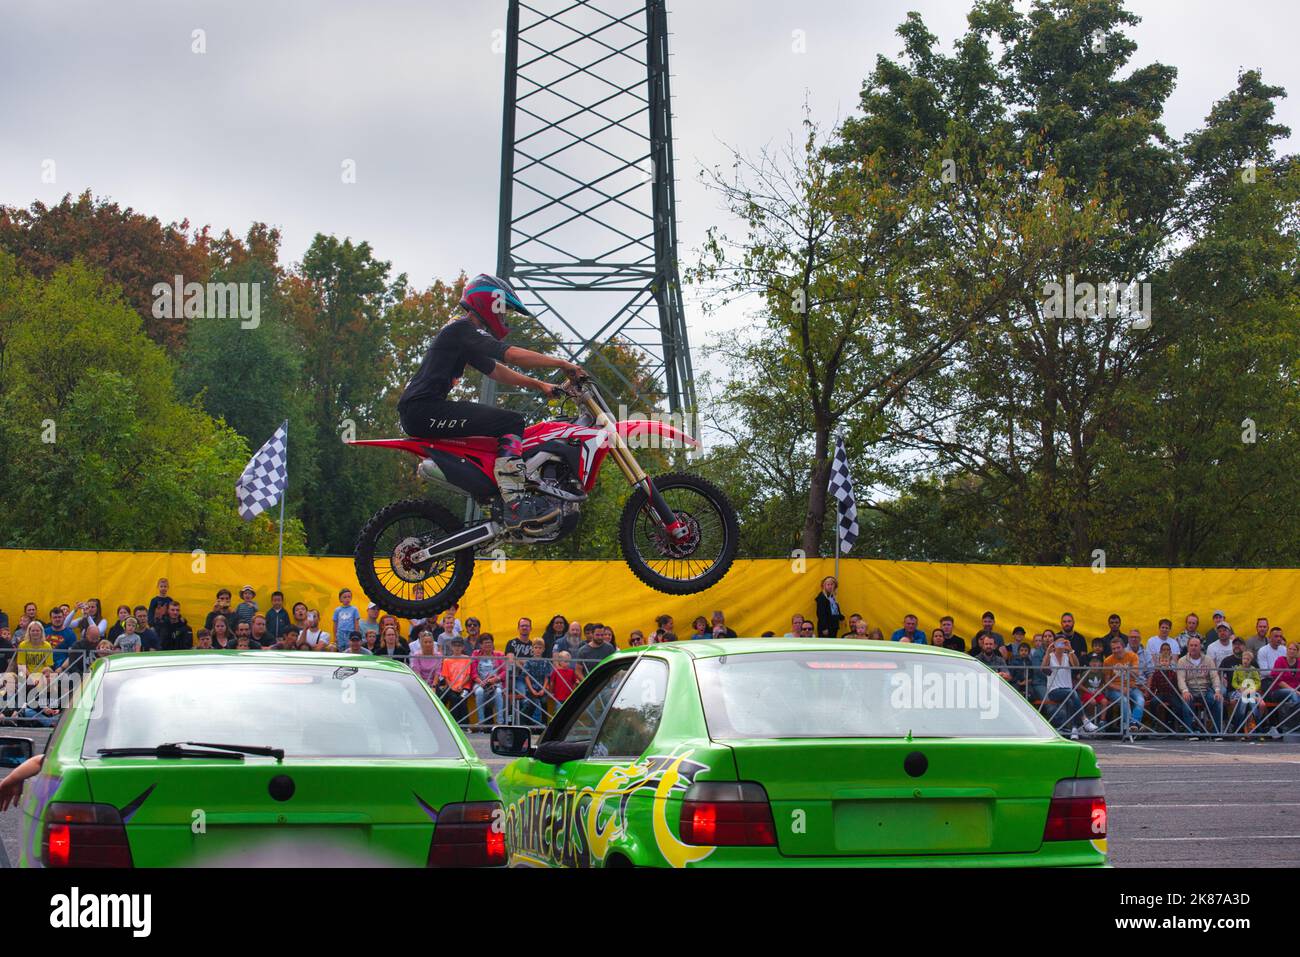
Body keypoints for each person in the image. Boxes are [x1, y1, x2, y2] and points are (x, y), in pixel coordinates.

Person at [396, 272, 583, 527]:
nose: (504, 316)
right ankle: (515, 502)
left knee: (496, 432)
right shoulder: (462, 328)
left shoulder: (462, 333)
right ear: (487, 302)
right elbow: (511, 356)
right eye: (502, 309)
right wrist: (562, 363)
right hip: (423, 410)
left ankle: (497, 494)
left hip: (421, 410)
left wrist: (539, 384)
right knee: (511, 422)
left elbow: (495, 369)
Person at [1042, 635, 1097, 737]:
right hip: (1054, 690)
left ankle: (1074, 729)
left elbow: (1076, 666)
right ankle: (1084, 720)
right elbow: (1043, 669)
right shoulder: (1050, 656)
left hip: (1068, 690)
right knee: (1072, 693)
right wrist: (1047, 652)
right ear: (1054, 644)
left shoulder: (1068, 656)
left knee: (1071, 700)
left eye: (1063, 643)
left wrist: (1071, 650)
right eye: (1058, 643)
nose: (1061, 645)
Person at [1178, 637, 1224, 736]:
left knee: (1217, 700)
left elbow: (1214, 676)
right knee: (1186, 703)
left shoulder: (1208, 660)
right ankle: (1190, 732)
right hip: (1190, 689)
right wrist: (1184, 691)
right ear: (1188, 647)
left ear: (1200, 647)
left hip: (1205, 688)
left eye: (1196, 645)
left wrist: (1217, 690)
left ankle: (1217, 731)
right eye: (1191, 645)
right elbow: (1181, 678)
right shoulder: (1182, 661)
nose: (1193, 648)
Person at [1102, 635, 1145, 740]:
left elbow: (1136, 673)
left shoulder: (1132, 656)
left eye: (1118, 648)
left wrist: (1126, 669)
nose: (1116, 651)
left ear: (1123, 647)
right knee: (1124, 700)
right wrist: (1120, 688)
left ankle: (1132, 723)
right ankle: (1130, 727)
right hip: (1114, 689)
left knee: (1140, 700)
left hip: (1132, 686)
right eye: (1113, 649)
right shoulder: (1108, 661)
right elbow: (1107, 682)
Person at [1227, 650, 1265, 736]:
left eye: (1248, 659)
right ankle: (1238, 726)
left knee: (1258, 704)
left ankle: (1257, 726)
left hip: (1251, 691)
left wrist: (1254, 688)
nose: (1245, 660)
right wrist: (1239, 687)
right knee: (1238, 703)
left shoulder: (1253, 670)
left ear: (1251, 660)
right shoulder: (1237, 669)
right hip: (1240, 691)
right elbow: (1233, 682)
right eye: (1244, 658)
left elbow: (1258, 681)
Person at [438, 638, 474, 724]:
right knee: (454, 698)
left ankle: (465, 724)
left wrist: (461, 685)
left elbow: (468, 675)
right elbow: (446, 677)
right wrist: (452, 687)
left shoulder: (467, 659)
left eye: (459, 646)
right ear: (451, 647)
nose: (457, 648)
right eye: (455, 645)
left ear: (463, 647)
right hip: (451, 686)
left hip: (465, 686)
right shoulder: (447, 660)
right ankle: (453, 723)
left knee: (462, 699)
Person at [471, 635, 505, 724]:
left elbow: (504, 671)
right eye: (485, 643)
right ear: (480, 645)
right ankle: (481, 722)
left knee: (498, 692)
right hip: (480, 682)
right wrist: (481, 682)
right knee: (479, 691)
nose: (488, 645)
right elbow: (473, 673)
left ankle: (500, 722)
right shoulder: (475, 654)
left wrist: (496, 679)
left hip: (495, 683)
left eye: (490, 642)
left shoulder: (499, 655)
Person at [520, 637, 552, 726]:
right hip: (531, 688)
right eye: (536, 648)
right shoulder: (528, 662)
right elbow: (526, 677)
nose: (538, 650)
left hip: (542, 688)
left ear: (543, 649)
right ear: (532, 649)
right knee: (532, 703)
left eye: (540, 648)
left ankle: (544, 723)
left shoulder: (546, 662)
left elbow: (547, 677)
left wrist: (543, 689)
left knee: (544, 702)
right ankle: (527, 722)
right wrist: (531, 689)